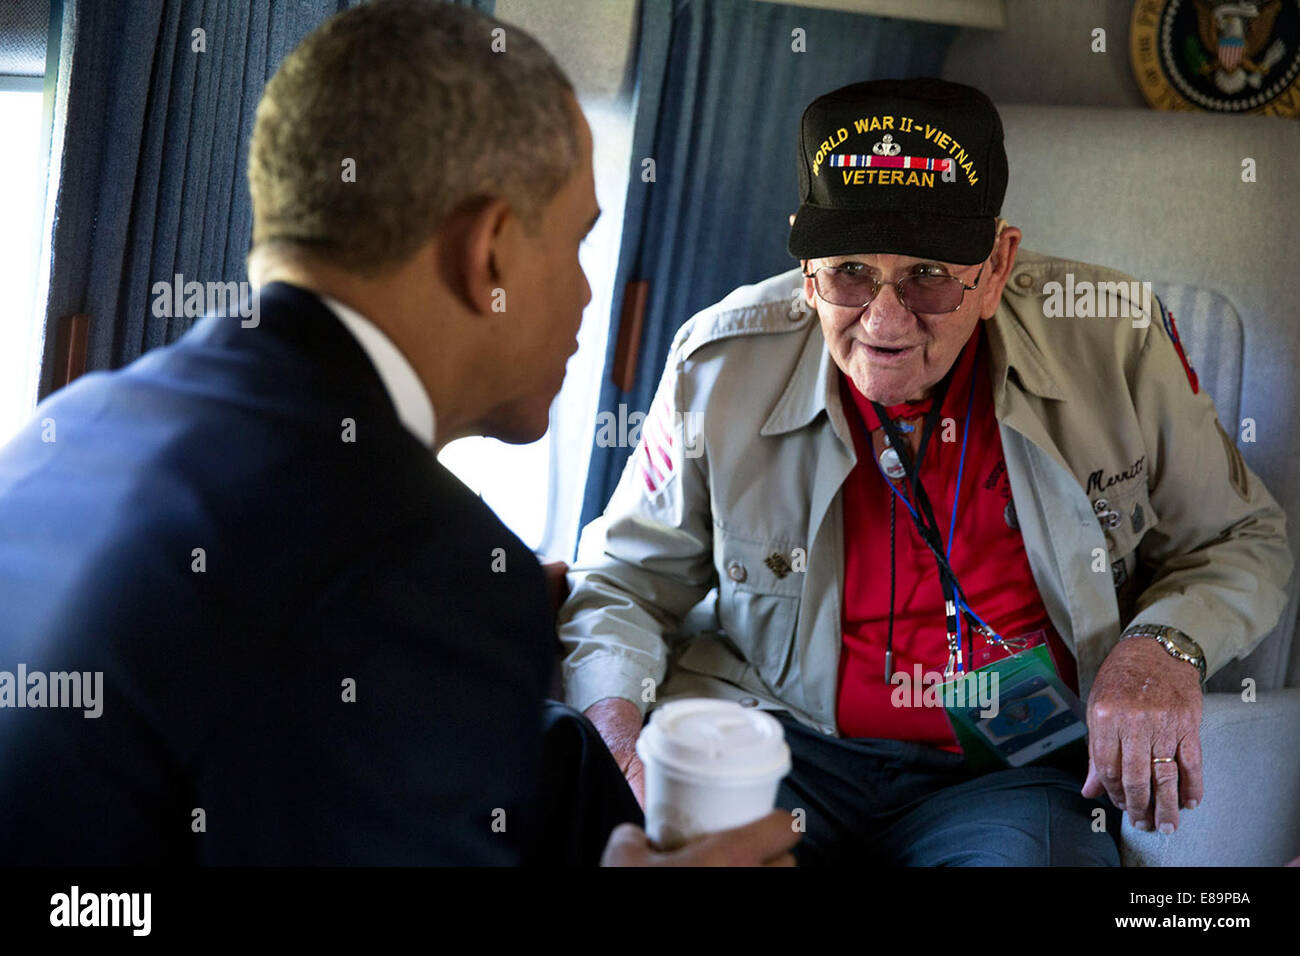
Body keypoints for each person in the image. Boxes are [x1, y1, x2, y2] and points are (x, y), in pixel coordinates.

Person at [0, 0, 797, 868]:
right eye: (575, 244)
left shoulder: (73, 427)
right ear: (488, 250)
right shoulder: (418, 570)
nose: (585, 294)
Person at [561, 77, 1293, 865]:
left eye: (929, 277)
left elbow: (1241, 537)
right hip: (774, 740)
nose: (883, 321)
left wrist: (1161, 648)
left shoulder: (1116, 342)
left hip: (1003, 775)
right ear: (807, 268)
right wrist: (617, 736)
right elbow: (623, 583)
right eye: (847, 272)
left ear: (999, 263)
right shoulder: (719, 364)